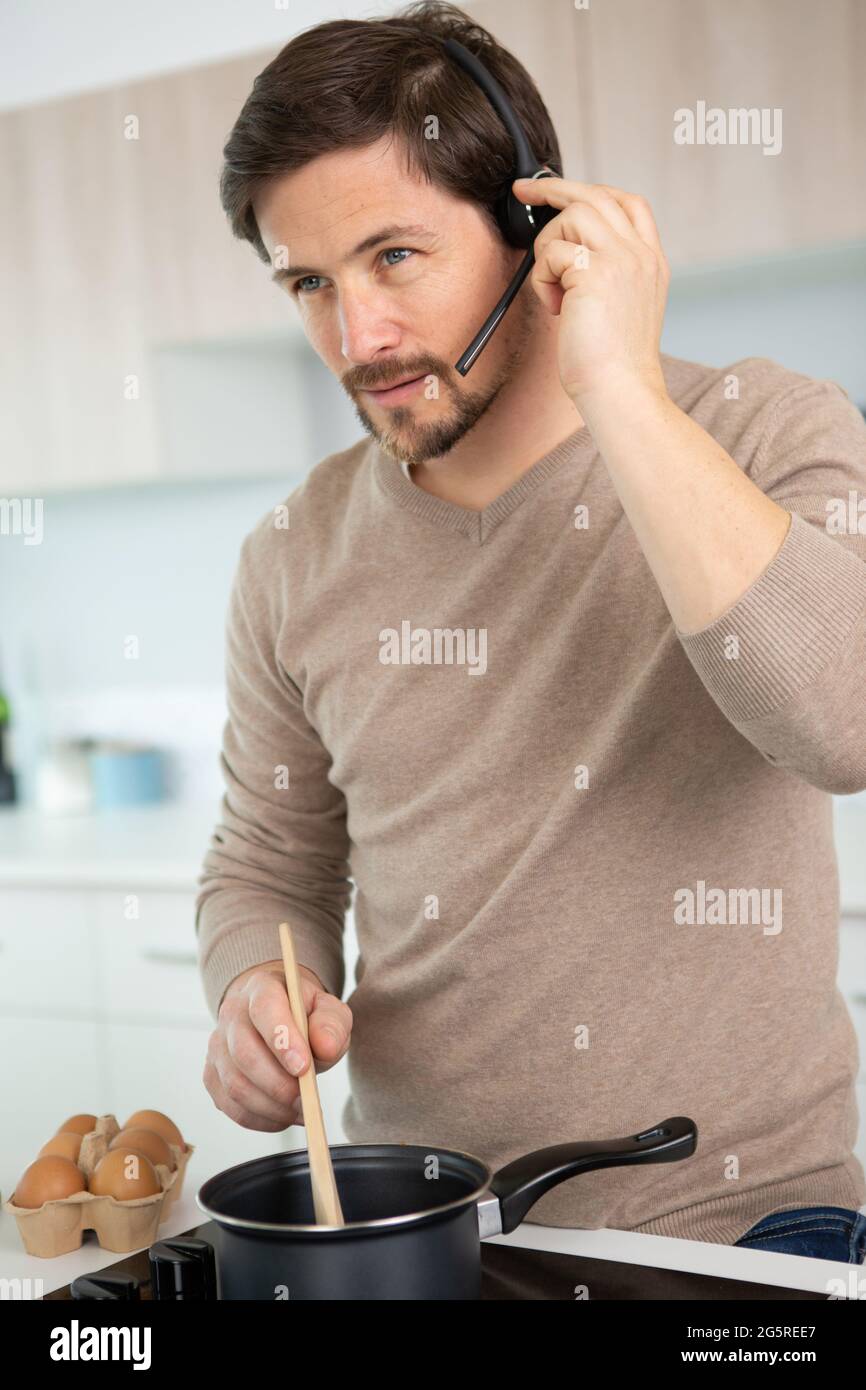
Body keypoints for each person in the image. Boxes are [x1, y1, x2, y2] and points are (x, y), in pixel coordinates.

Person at [196, 1, 866, 1263]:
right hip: (424, 1231)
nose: (359, 341)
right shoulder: (291, 553)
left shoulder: (768, 429)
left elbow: (843, 720)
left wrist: (613, 381)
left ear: (538, 225)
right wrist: (251, 985)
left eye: (394, 257)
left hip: (743, 1225)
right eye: (308, 283)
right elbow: (270, 857)